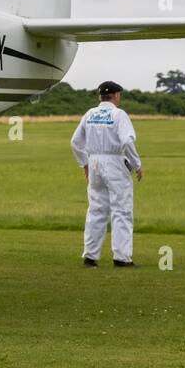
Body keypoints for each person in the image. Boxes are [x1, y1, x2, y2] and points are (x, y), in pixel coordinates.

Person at [70, 80, 142, 268]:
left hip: (94, 164)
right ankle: (122, 257)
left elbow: (75, 143)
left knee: (96, 210)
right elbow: (127, 142)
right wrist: (137, 164)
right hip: (115, 162)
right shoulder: (119, 114)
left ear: (99, 96)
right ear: (117, 96)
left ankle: (90, 257)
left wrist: (84, 164)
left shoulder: (89, 114)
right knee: (121, 210)